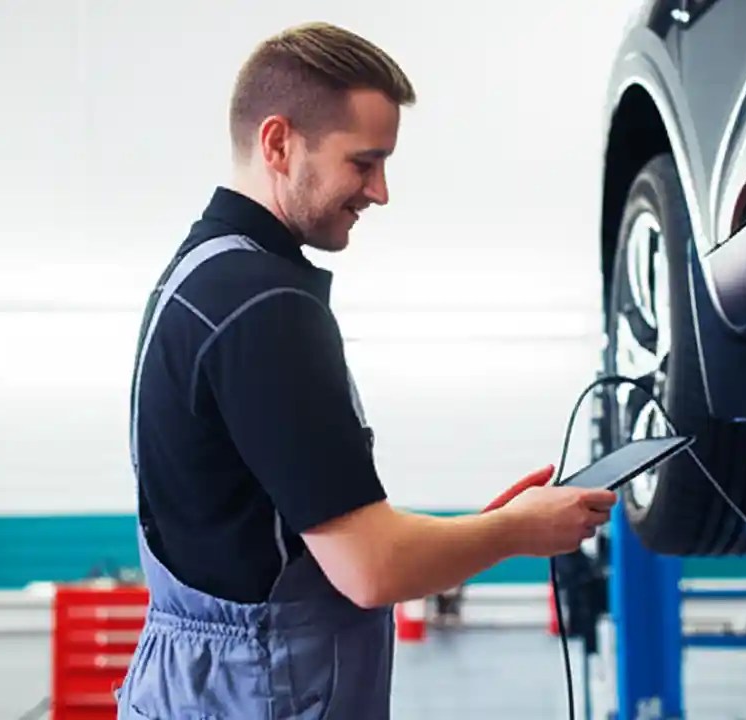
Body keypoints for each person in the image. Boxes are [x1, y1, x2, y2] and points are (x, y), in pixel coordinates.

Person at [117, 21, 617, 719]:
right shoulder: (265, 304)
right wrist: (518, 533)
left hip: (204, 686)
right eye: (363, 162)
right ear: (278, 143)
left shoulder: (196, 280)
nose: (380, 191)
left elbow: (305, 540)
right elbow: (370, 568)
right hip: (263, 692)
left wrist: (488, 524)